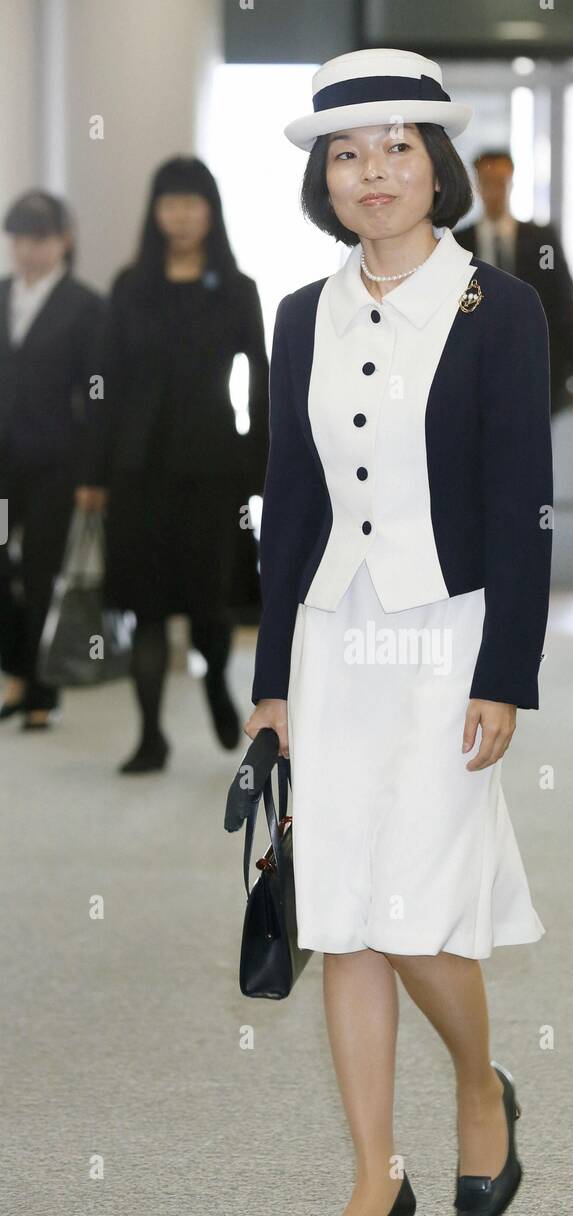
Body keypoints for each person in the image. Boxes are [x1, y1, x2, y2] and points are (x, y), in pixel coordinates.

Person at [244, 48, 553, 1216]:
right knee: (343, 914)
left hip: (446, 637)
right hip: (333, 640)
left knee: (420, 912)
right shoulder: (298, 314)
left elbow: (525, 500)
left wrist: (506, 673)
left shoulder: (500, 310)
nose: (371, 173)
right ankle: (375, 1179)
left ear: (435, 168)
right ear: (324, 179)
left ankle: (481, 1089)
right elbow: (289, 499)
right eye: (346, 153)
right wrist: (270, 682)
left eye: (396, 148)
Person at [75, 157, 269, 772]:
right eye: (169, 203)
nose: (180, 214)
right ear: (155, 212)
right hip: (139, 469)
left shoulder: (237, 288)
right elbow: (103, 380)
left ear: (210, 210)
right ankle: (151, 734)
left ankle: (214, 679)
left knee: (210, 602)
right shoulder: (131, 285)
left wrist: (262, 465)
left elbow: (259, 379)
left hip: (214, 465)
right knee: (147, 604)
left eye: (191, 202)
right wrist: (93, 472)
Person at [0, 191, 103, 729]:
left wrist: (92, 474)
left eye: (37, 238)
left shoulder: (85, 305)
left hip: (53, 470)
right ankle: (15, 668)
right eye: (16, 238)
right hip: (1, 473)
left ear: (64, 239)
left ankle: (42, 691)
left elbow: (96, 399)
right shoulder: (0, 295)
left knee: (42, 572)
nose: (26, 250)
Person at [455, 149, 573, 415]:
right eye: (488, 182)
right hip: (474, 372)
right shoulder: (457, 244)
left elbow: (564, 302)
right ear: (477, 185)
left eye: (501, 182)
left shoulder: (541, 240)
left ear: (511, 182)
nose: (495, 190)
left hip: (533, 366)